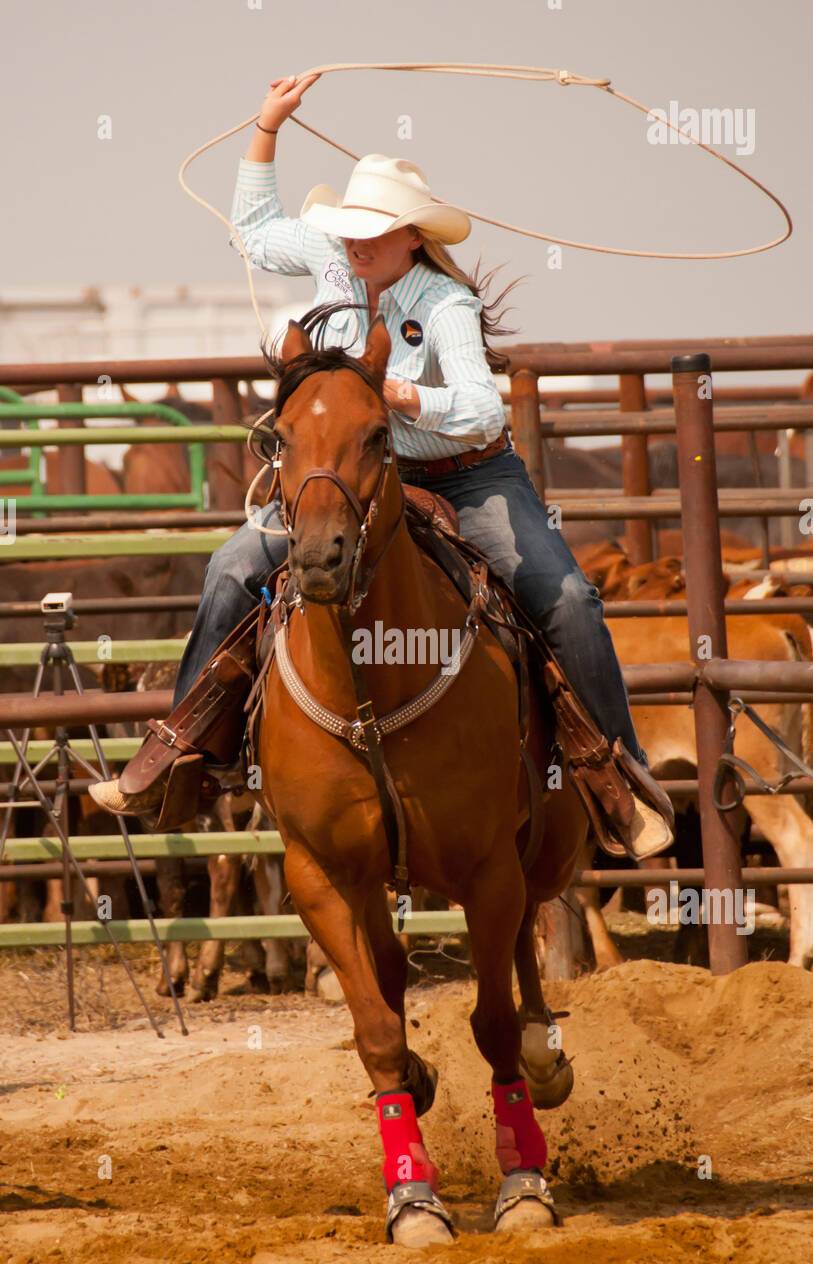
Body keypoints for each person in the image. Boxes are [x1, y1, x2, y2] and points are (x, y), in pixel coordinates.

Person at [91, 74, 672, 858]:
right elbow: (255, 232)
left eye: (375, 230)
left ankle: (612, 771)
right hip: (358, 479)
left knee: (566, 598)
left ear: (411, 237)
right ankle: (184, 749)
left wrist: (397, 394)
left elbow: (480, 411)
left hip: (468, 477)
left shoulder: (444, 306)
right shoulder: (331, 254)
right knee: (233, 565)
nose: (357, 242)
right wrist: (267, 126)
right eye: (351, 229)